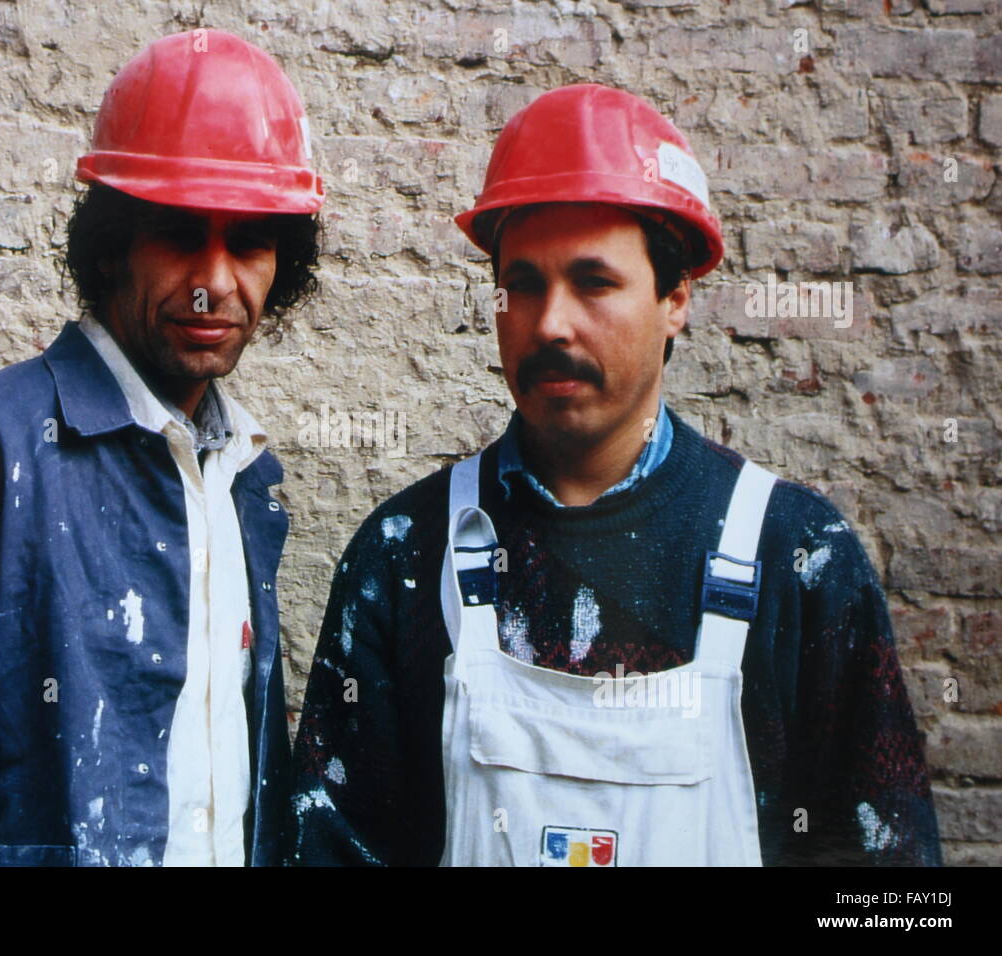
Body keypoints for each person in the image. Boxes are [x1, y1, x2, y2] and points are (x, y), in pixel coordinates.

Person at [287, 83, 939, 866]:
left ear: (675, 300)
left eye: (594, 282)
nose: (550, 322)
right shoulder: (402, 557)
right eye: (523, 284)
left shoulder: (798, 558)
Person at [0, 29, 324, 867]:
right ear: (111, 244)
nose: (214, 279)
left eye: (248, 242)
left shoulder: (244, 478)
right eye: (177, 232)